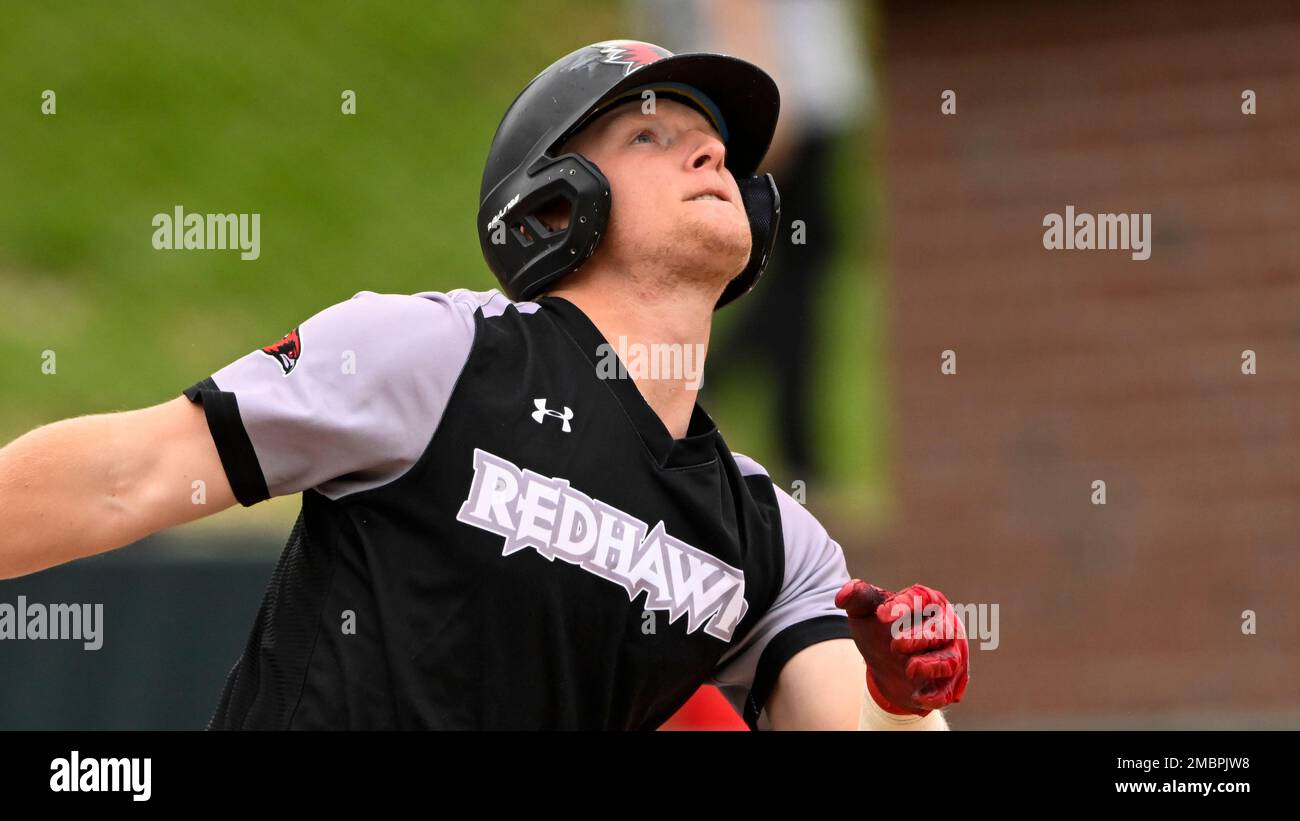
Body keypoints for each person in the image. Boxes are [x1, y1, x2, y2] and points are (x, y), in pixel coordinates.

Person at [0, 40, 967, 730]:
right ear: (555, 207)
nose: (711, 150)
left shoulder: (769, 536)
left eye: (714, 142)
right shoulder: (433, 353)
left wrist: (899, 694)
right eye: (650, 136)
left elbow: (849, 720)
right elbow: (126, 472)